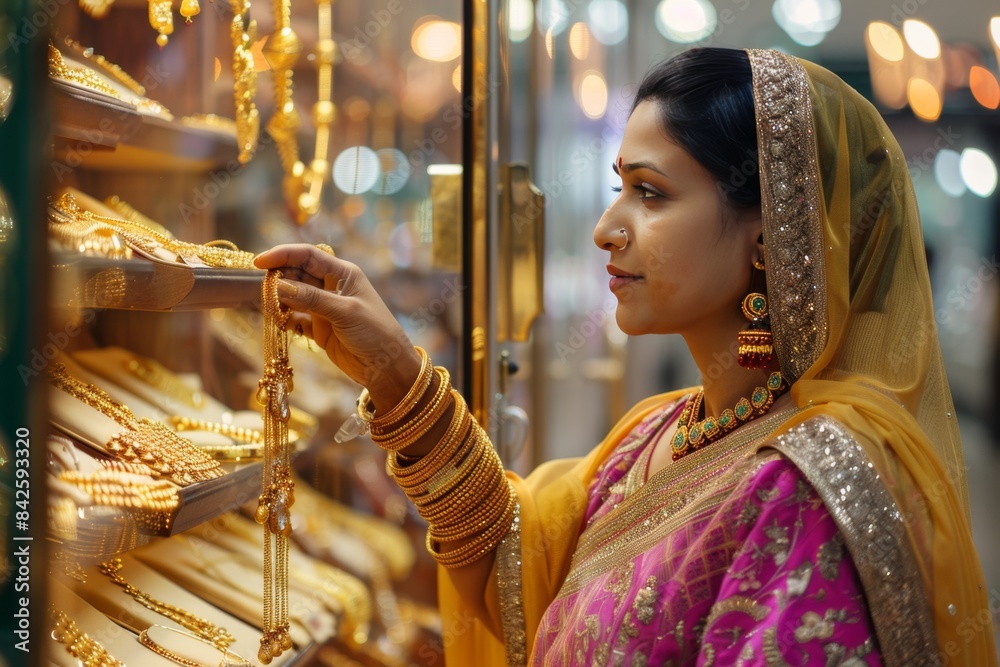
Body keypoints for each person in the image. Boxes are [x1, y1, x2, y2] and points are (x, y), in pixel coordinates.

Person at [253, 47, 998, 665]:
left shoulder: (801, 491)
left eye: (650, 193)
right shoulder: (660, 433)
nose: (609, 226)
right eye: (619, 188)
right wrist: (394, 372)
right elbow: (517, 573)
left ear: (770, 236)